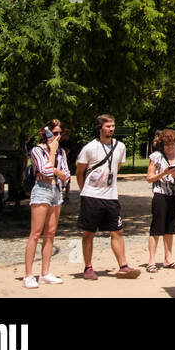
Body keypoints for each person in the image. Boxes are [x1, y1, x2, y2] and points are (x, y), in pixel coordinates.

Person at [75, 113, 140, 279]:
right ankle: (88, 268)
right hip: (91, 196)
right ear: (100, 128)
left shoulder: (120, 147)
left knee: (117, 231)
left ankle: (123, 266)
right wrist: (85, 192)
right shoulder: (89, 148)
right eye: (108, 126)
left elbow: (116, 167)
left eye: (113, 126)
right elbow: (80, 173)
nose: (111, 129)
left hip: (111, 196)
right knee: (89, 233)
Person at [23, 119, 70, 288]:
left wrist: (56, 171)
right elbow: (45, 171)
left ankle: (45, 272)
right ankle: (28, 275)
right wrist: (52, 154)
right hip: (42, 190)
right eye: (54, 133)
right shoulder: (37, 150)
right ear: (46, 134)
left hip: (56, 192)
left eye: (59, 133)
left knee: (50, 233)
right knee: (35, 233)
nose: (57, 137)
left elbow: (66, 176)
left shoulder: (62, 153)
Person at [146, 128, 175, 273]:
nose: (170, 147)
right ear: (162, 144)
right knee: (156, 228)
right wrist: (163, 173)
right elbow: (149, 178)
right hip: (160, 194)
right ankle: (151, 261)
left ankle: (168, 258)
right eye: (167, 144)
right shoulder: (156, 157)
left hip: (174, 195)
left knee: (171, 227)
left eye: (172, 144)